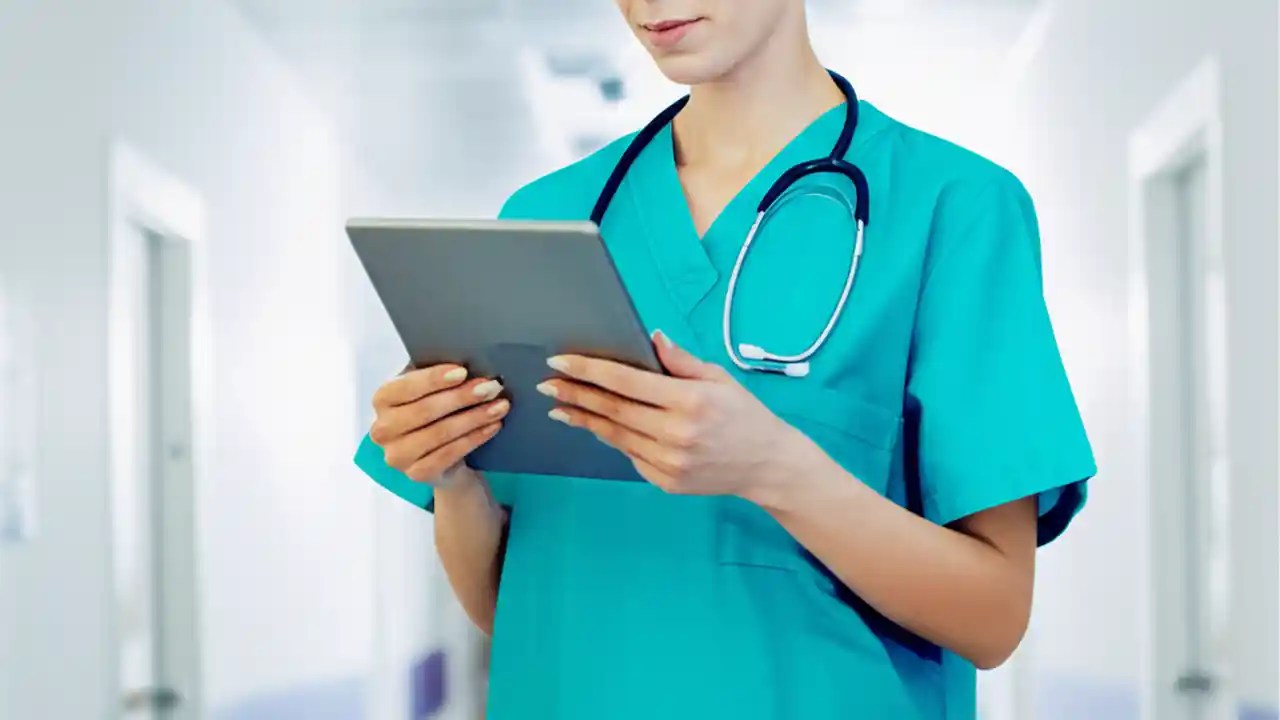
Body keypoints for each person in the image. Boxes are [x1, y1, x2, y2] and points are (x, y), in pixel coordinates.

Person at [355, 1, 1096, 717]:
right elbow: (512, 604)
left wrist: (774, 469)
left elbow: (993, 618)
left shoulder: (954, 207)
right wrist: (451, 476)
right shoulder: (546, 218)